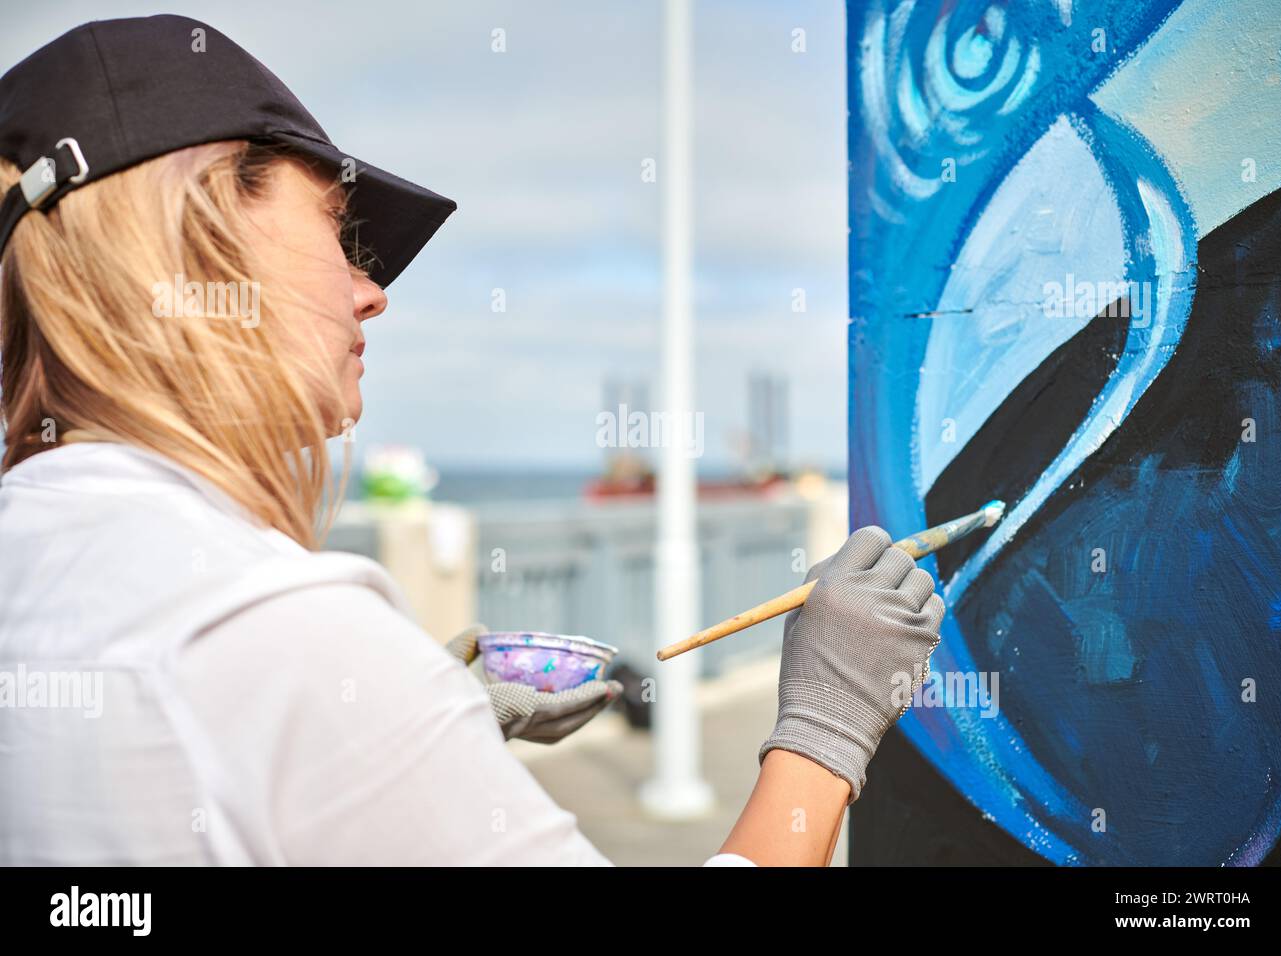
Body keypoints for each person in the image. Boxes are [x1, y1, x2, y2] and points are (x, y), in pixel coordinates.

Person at [0, 15, 943, 866]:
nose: (372, 291)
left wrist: (418, 724)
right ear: (202, 234)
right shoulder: (264, 629)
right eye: (336, 229)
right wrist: (825, 729)